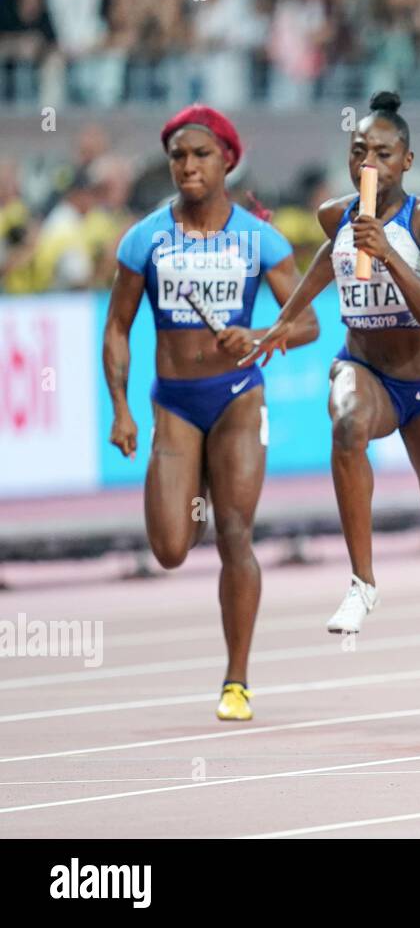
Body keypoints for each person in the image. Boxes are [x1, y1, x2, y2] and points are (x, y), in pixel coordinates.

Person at [242, 91, 420, 673]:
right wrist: (285, 320)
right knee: (347, 422)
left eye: (382, 152)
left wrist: (389, 257)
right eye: (358, 152)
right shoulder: (337, 214)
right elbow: (331, 254)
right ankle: (362, 581)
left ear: (407, 161)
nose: (368, 163)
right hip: (366, 369)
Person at [102, 104, 319, 721]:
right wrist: (120, 408)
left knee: (235, 534)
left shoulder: (259, 237)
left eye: (200, 155)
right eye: (177, 157)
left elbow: (305, 321)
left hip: (237, 400)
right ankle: (192, 486)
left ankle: (236, 680)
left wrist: (256, 336)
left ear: (228, 158)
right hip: (174, 403)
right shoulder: (145, 239)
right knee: (170, 548)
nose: (187, 166)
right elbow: (117, 328)